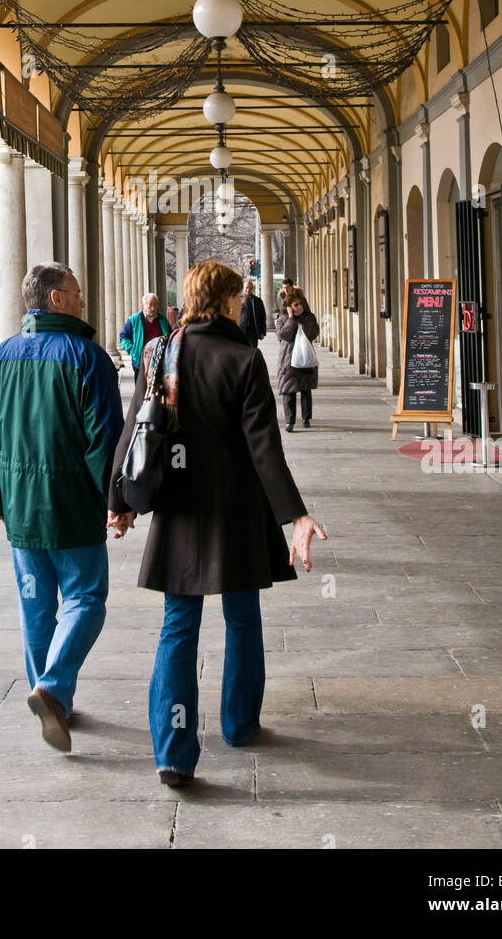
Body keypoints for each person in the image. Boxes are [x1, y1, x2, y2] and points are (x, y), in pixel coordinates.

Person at [107, 260, 327, 788]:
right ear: (226, 301)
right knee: (243, 618)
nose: (239, 304)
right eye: (237, 298)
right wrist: (294, 514)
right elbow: (264, 449)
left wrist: (120, 498)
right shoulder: (244, 358)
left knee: (178, 628)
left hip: (180, 509)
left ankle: (173, 753)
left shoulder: (162, 351)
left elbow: (135, 427)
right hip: (235, 512)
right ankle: (239, 723)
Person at [0, 262, 123, 753]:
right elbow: (105, 439)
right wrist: (116, 499)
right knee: (85, 599)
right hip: (74, 506)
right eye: (76, 293)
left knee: (36, 608)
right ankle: (52, 690)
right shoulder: (88, 356)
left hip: (21, 509)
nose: (83, 301)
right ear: (57, 299)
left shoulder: (0, 359)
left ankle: (53, 698)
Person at [275, 292, 320, 432]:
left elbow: (313, 333)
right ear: (289, 307)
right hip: (288, 360)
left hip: (305, 357)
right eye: (295, 305)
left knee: (305, 389)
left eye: (300, 304)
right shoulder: (283, 318)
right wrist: (291, 319)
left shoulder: (309, 317)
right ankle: (290, 421)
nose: (299, 307)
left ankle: (306, 418)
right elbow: (283, 335)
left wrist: (301, 326)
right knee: (289, 391)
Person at [119, 292, 170, 377]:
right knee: (141, 388)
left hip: (160, 360)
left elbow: (170, 334)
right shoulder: (133, 320)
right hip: (140, 360)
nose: (153, 308)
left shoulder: (163, 319)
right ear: (143, 304)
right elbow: (123, 337)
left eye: (155, 305)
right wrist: (132, 350)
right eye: (150, 305)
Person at [238, 276, 267, 349]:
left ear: (252, 288)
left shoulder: (258, 301)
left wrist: (263, 332)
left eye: (250, 288)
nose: (248, 290)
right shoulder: (238, 300)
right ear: (243, 288)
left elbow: (262, 317)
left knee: (253, 351)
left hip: (253, 331)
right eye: (246, 288)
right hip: (241, 330)